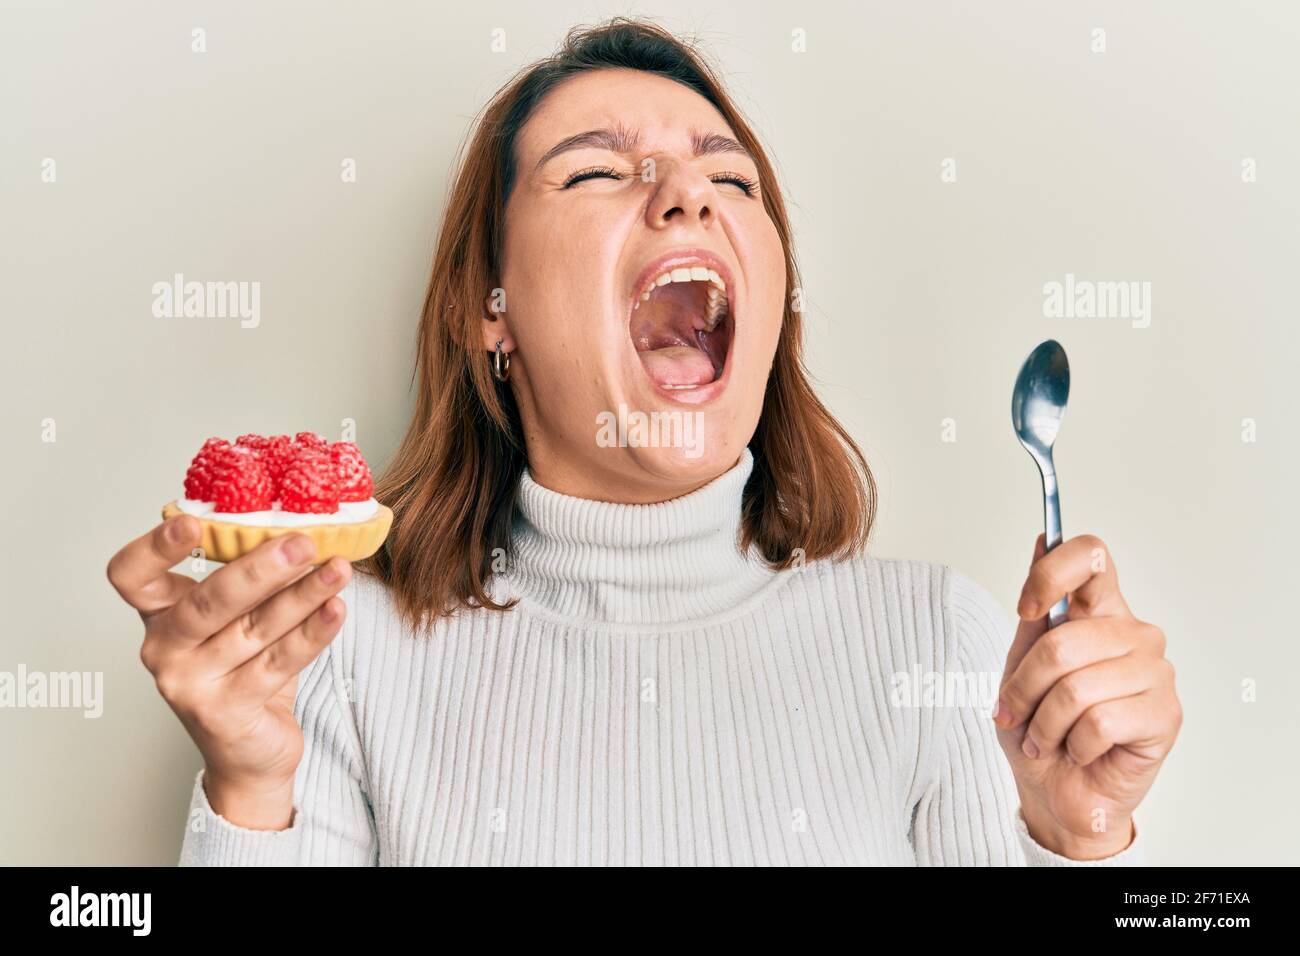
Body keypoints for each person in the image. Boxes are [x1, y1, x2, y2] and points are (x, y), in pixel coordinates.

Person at [107, 18, 1181, 866]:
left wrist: (1077, 837)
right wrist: (249, 792)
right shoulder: (345, 657)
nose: (686, 195)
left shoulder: (936, 643)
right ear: (492, 309)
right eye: (593, 172)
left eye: (732, 180)